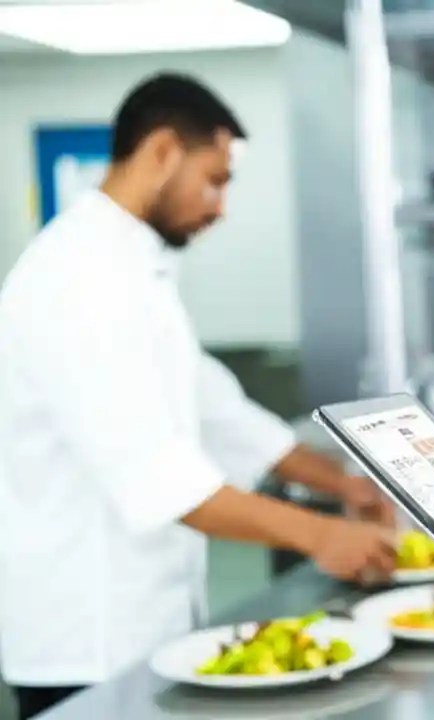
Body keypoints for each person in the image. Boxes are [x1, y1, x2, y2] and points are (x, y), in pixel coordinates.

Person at [0, 73, 399, 720]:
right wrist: (321, 534)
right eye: (215, 179)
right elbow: (157, 476)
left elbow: (218, 411)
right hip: (85, 638)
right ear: (162, 152)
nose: (221, 205)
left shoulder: (133, 272)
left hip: (144, 623)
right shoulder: (75, 279)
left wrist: (343, 486)